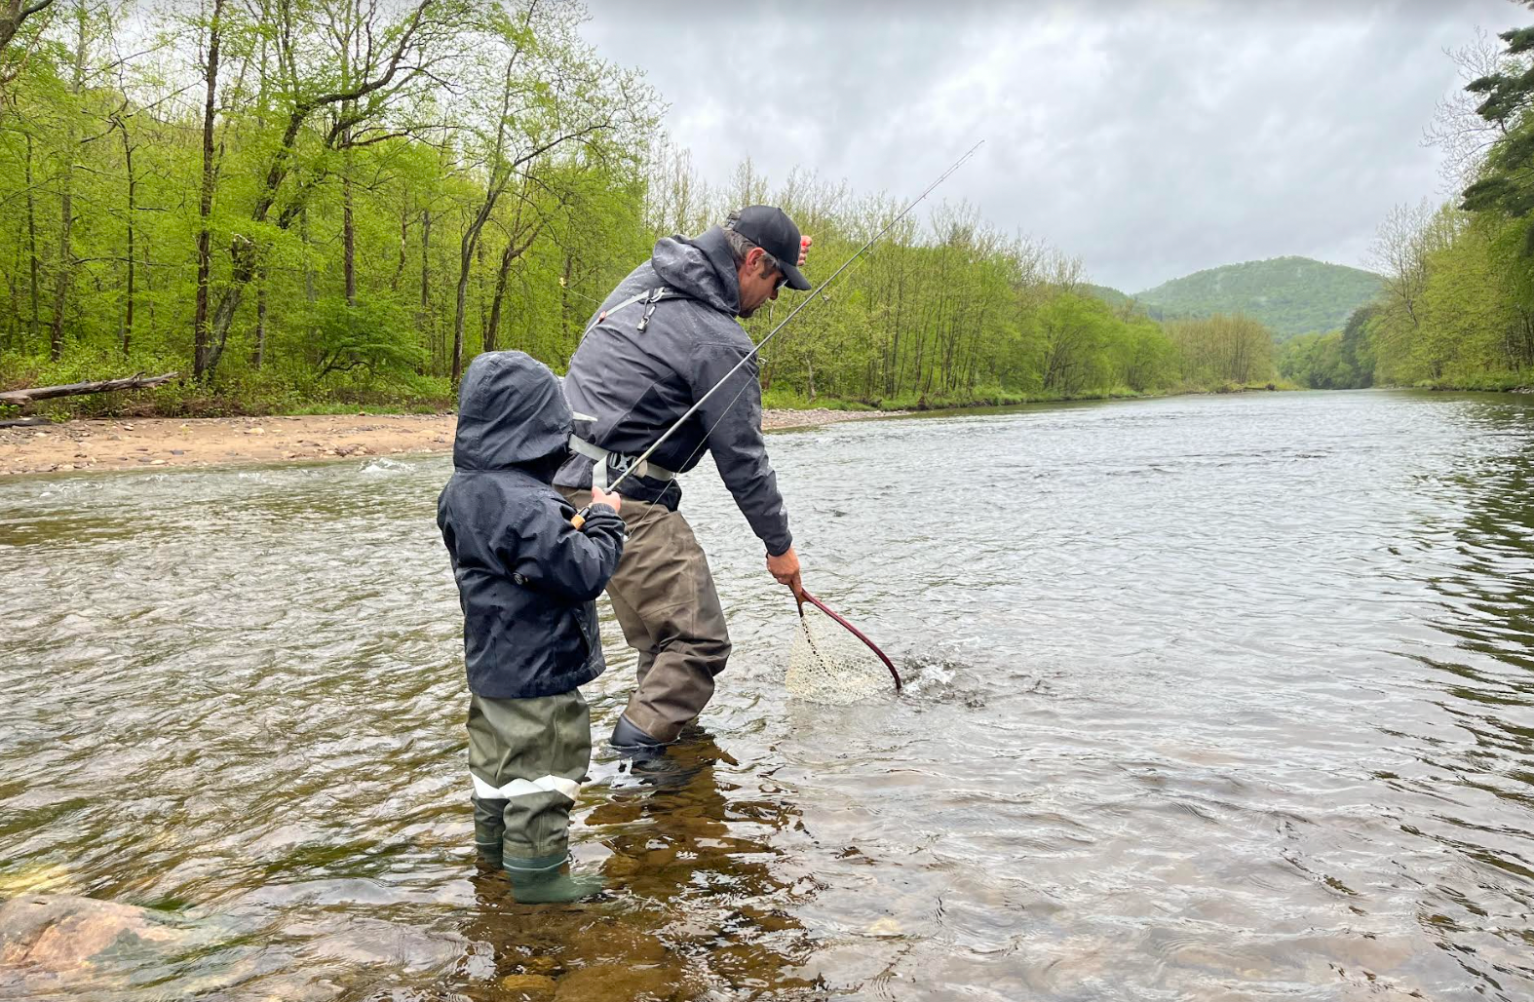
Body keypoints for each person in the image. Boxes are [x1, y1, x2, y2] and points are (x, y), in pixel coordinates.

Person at [555, 205, 812, 755]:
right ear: (754, 260)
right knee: (698, 643)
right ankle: (637, 767)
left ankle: (661, 788)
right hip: (618, 499)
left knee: (665, 643)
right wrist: (780, 547)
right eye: (775, 285)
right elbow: (743, 460)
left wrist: (781, 253)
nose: (772, 302)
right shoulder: (721, 343)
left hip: (560, 482)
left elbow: (725, 273)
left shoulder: (647, 279)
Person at [437, 350, 627, 903]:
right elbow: (584, 571)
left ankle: (493, 858)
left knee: (496, 768)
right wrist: (605, 519)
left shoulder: (461, 492)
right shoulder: (529, 505)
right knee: (546, 772)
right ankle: (540, 879)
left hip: (490, 669)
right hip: (540, 676)